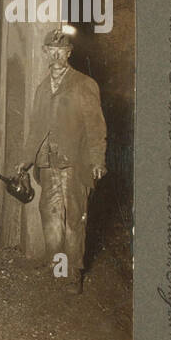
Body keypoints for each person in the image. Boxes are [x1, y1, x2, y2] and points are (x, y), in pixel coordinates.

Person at [16, 28, 107, 294]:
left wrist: (97, 160)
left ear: (69, 53)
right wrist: (25, 160)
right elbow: (35, 129)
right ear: (46, 52)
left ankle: (73, 274)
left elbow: (95, 127)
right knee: (50, 213)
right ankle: (57, 265)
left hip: (73, 162)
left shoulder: (84, 84)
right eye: (51, 50)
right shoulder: (43, 88)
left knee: (73, 218)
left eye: (61, 51)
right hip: (48, 162)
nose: (56, 55)